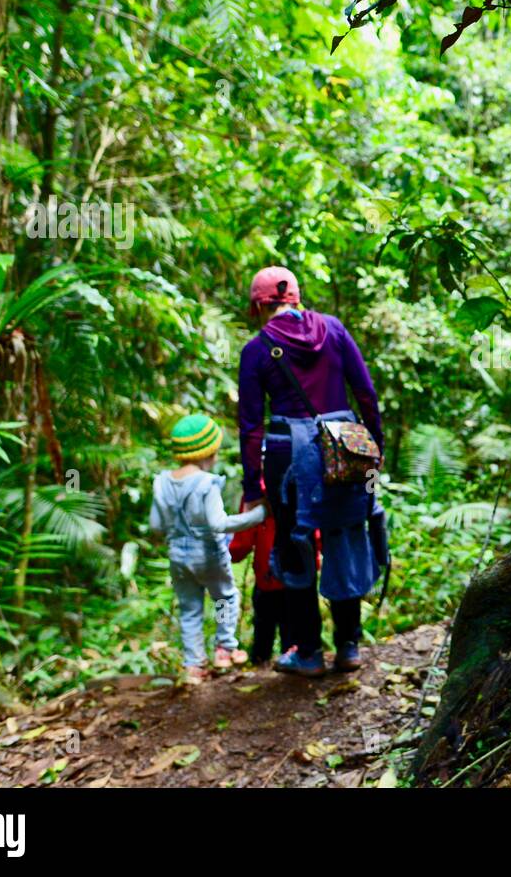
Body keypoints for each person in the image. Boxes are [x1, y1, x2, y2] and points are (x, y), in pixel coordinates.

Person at [238, 266, 385, 677]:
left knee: (295, 546)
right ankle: (349, 646)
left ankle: (307, 652)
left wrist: (254, 486)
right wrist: (375, 446)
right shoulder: (334, 329)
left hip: (289, 461)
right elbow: (365, 392)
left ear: (258, 306)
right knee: (344, 538)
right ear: (296, 298)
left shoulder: (257, 350)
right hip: (343, 450)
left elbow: (251, 427)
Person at [150, 413, 266, 682]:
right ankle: (224, 648)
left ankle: (194, 666)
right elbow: (218, 523)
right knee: (224, 597)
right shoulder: (206, 482)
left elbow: (157, 525)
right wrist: (257, 516)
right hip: (208, 554)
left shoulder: (162, 482)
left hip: (177, 556)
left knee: (189, 608)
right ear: (208, 453)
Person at [228, 482, 289, 665]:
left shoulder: (255, 493)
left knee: (263, 634)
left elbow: (242, 543)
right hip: (297, 578)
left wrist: (227, 554)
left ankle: (259, 665)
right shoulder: (301, 480)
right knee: (293, 636)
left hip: (266, 578)